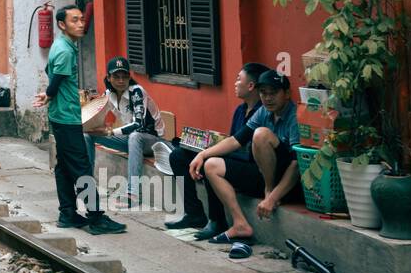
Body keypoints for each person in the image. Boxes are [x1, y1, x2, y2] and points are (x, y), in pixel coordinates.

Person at [184, 69, 301, 257]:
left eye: (273, 93)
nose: (268, 98)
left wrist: (271, 197)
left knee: (261, 134)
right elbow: (235, 140)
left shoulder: (295, 116)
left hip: (287, 186)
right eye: (263, 93)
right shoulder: (263, 111)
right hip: (264, 175)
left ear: (287, 94)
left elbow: (296, 166)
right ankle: (240, 224)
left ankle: (269, 190)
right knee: (211, 165)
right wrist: (202, 155)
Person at [34, 6, 127, 234]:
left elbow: (49, 70)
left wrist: (51, 95)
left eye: (81, 19)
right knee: (81, 166)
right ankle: (96, 218)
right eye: (74, 20)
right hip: (67, 116)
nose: (80, 24)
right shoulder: (65, 50)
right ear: (62, 24)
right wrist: (50, 94)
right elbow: (56, 79)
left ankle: (68, 214)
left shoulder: (61, 45)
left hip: (61, 115)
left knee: (64, 166)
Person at [163, 61, 271, 230]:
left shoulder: (264, 112)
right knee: (178, 155)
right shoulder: (240, 110)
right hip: (234, 159)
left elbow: (242, 146)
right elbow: (232, 140)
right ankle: (194, 214)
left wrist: (209, 152)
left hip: (251, 168)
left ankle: (217, 220)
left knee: (211, 161)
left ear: (251, 86)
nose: (235, 83)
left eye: (238, 79)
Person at [90, 56, 168, 205]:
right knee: (89, 135)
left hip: (153, 141)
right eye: (116, 76)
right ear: (109, 77)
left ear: (129, 77)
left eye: (124, 76)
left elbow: (138, 124)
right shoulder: (108, 94)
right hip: (132, 142)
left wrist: (110, 132)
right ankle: (89, 184)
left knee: (135, 136)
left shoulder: (137, 92)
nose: (121, 80)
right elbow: (96, 115)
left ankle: (133, 194)